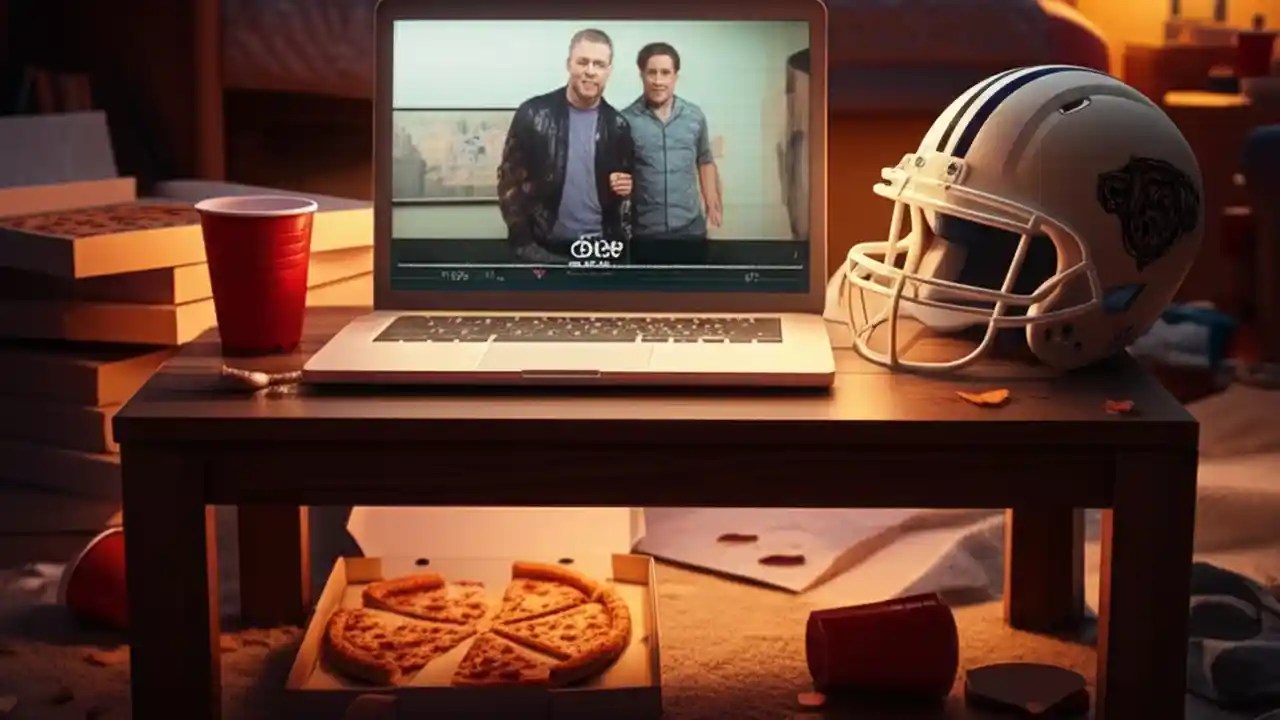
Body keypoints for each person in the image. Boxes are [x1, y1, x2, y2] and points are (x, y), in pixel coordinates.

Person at [496, 28, 635, 263]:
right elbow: (508, 185)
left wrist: (627, 188)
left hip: (600, 250)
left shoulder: (618, 125)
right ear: (569, 64)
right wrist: (524, 242)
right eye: (583, 62)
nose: (590, 71)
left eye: (599, 64)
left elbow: (625, 189)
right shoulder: (532, 114)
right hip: (545, 249)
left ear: (608, 71)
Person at [622, 42, 722, 262]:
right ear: (641, 75)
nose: (658, 81)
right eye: (652, 72)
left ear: (675, 76)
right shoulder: (625, 121)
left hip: (690, 230)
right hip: (645, 234)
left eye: (665, 73)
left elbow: (704, 159)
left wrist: (712, 201)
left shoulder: (694, 116)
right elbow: (618, 172)